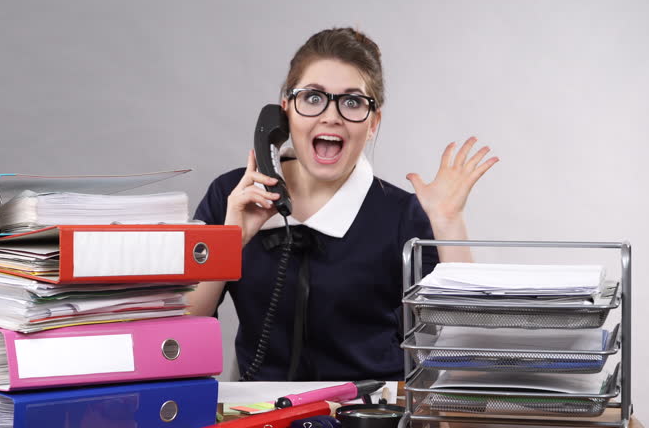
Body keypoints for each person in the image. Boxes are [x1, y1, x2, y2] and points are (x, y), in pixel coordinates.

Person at [188, 27, 498, 381]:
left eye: (352, 102)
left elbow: (470, 343)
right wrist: (228, 241)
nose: (331, 116)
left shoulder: (402, 215)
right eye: (313, 97)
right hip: (259, 421)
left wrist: (447, 223)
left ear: (373, 123)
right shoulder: (233, 194)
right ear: (285, 111)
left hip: (371, 419)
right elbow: (177, 336)